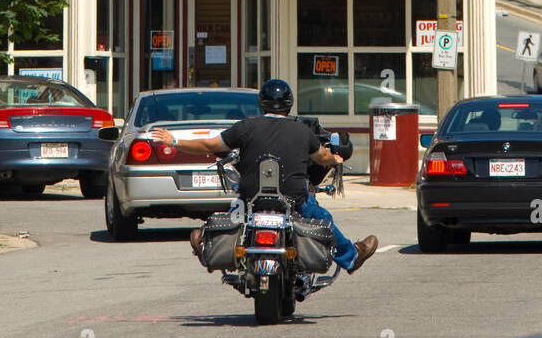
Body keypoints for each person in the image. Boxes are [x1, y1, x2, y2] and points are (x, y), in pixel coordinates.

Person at [151, 78, 378, 274]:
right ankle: (351, 256)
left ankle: (205, 242)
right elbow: (322, 157)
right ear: (289, 104)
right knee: (321, 216)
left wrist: (174, 141)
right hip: (294, 199)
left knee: (233, 212)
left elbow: (208, 144)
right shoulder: (303, 131)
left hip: (252, 199)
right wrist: (335, 160)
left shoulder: (246, 127)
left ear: (262, 103)